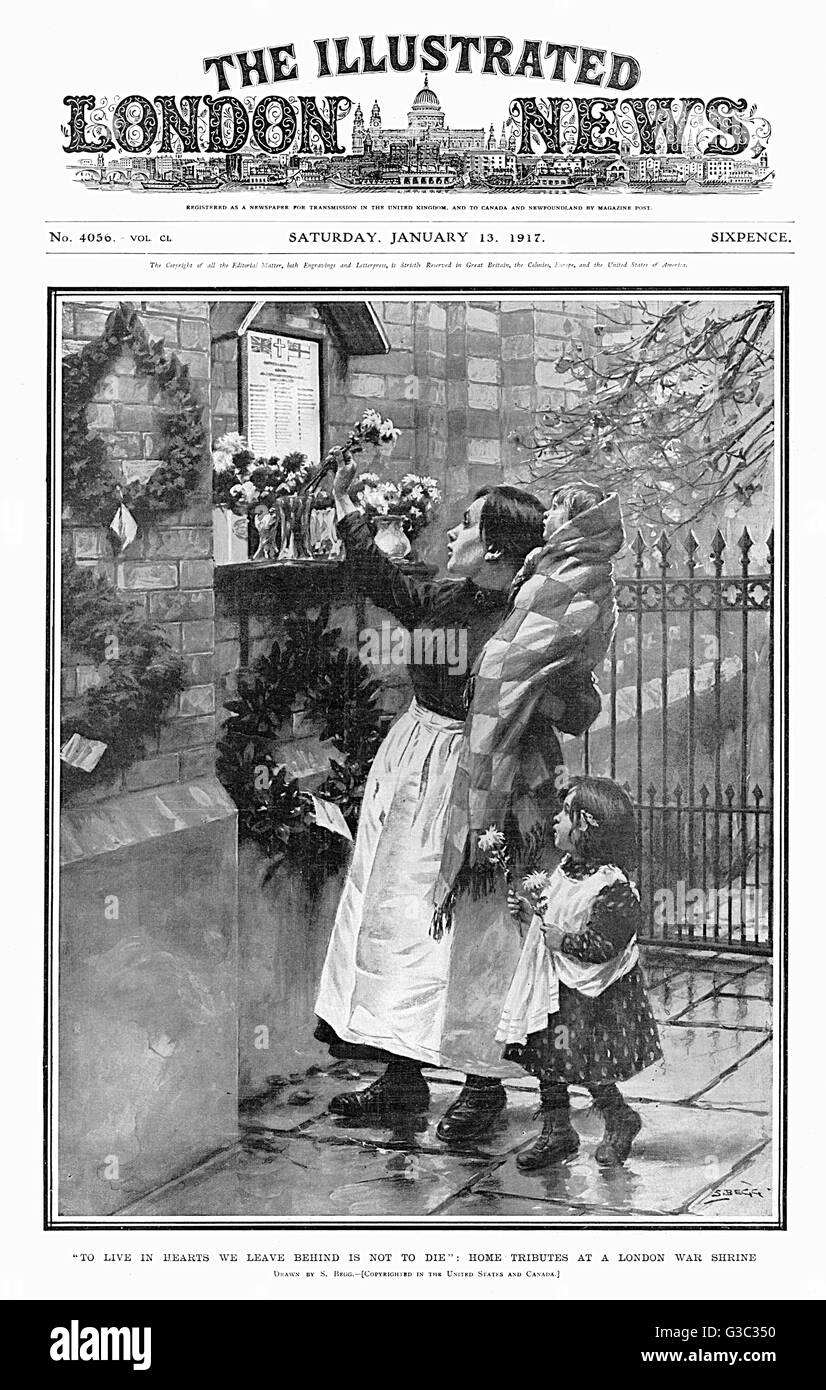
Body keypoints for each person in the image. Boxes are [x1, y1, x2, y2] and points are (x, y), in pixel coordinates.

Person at [313, 455, 547, 1124]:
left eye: (466, 525)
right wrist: (349, 512)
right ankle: (403, 1074)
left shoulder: (528, 621)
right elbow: (390, 587)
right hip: (412, 763)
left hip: (478, 780)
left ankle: (481, 1086)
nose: (450, 534)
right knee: (394, 919)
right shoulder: (450, 597)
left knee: (473, 929)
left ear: (496, 546)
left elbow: (565, 706)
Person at [428, 481, 626, 1141]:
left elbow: (582, 703)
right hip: (479, 784)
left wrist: (550, 699)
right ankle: (483, 1084)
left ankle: (561, 1111)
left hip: (528, 794)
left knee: (536, 945)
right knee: (482, 941)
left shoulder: (548, 594)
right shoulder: (472, 603)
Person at [502, 777, 662, 1169]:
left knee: (588, 1064)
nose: (555, 820)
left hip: (594, 996)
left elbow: (606, 945)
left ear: (586, 826)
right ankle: (557, 1131)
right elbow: (555, 917)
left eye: (564, 815)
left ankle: (619, 1118)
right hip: (557, 986)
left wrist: (564, 942)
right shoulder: (565, 869)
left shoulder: (613, 887)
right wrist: (530, 916)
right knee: (551, 1060)